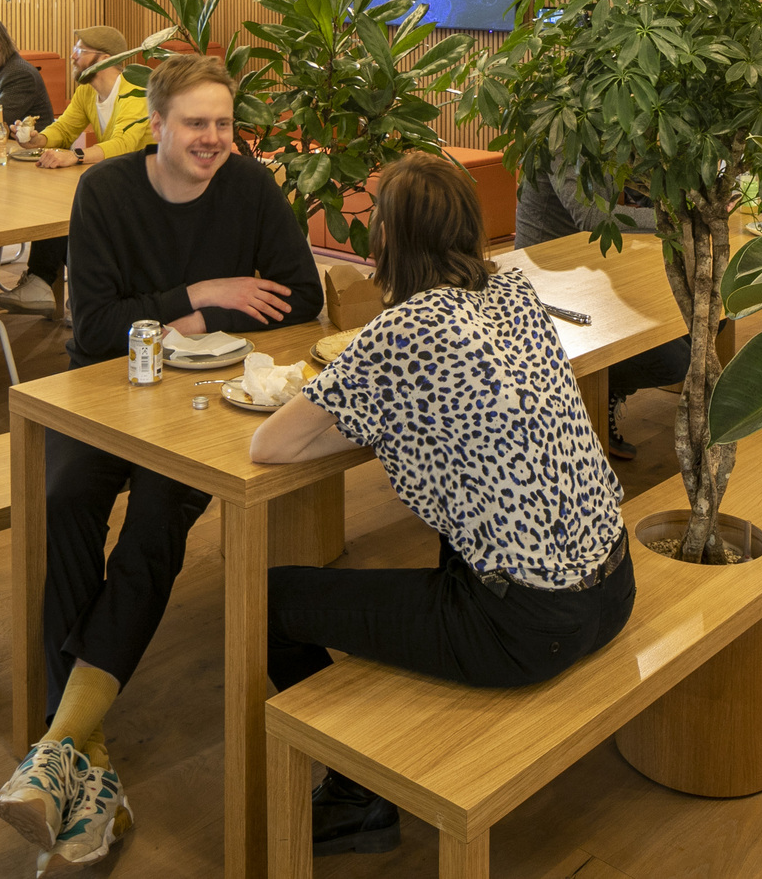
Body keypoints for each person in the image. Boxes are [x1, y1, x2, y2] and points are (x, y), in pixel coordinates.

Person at [0, 52, 323, 868]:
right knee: (65, 500)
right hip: (102, 394)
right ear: (158, 127)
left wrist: (180, 320)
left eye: (223, 124)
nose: (214, 138)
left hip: (207, 406)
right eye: (196, 123)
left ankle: (57, 749)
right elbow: (96, 329)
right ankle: (86, 753)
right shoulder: (105, 192)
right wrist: (204, 297)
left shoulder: (249, 186)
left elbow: (301, 295)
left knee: (153, 527)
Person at [249, 151, 634, 855]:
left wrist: (365, 411)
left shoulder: (408, 328)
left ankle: (357, 791)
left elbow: (270, 444)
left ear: (388, 238)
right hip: (614, 586)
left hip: (527, 626)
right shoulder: (514, 290)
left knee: (266, 602)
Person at [514, 159, 687, 459]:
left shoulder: (613, 136)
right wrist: (675, 218)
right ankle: (592, 396)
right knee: (675, 360)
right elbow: (591, 216)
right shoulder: (560, 136)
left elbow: (638, 186)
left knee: (697, 324)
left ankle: (600, 392)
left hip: (596, 271)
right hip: (549, 287)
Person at [0, 25, 152, 317]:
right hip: (117, 179)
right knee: (56, 196)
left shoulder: (135, 90)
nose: (73, 56)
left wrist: (74, 156)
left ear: (104, 58)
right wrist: (37, 140)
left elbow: (125, 144)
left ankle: (75, 292)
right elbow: (65, 128)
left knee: (76, 204)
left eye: (80, 50)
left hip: (146, 186)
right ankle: (48, 284)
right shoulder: (87, 91)